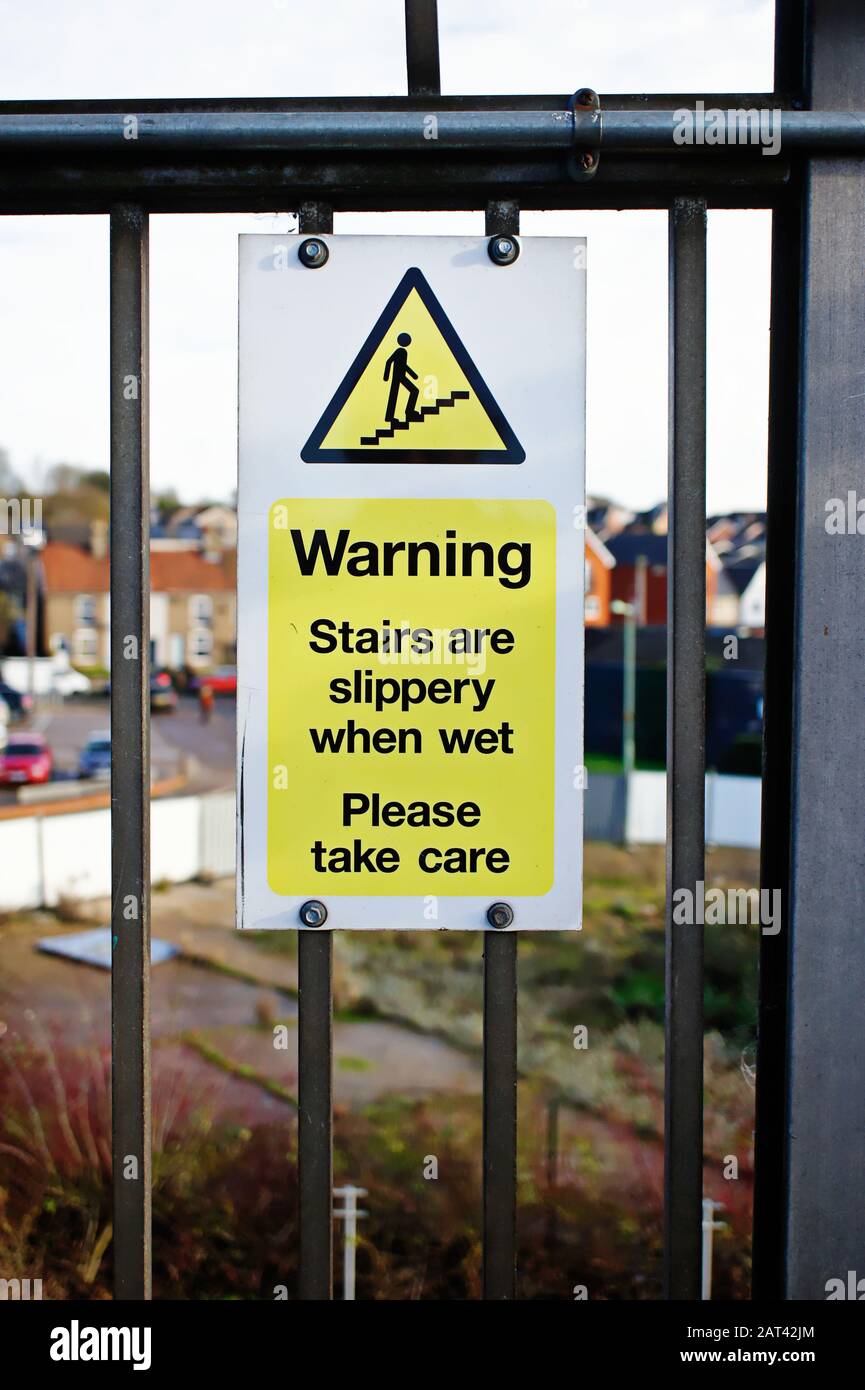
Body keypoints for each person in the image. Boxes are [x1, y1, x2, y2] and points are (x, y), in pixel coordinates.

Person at [383, 331, 421, 424]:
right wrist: (386, 376)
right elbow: (388, 361)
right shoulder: (400, 351)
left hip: (401, 376)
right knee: (412, 391)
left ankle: (408, 412)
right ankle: (405, 413)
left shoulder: (403, 352)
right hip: (398, 377)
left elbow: (403, 365)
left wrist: (413, 375)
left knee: (395, 395)